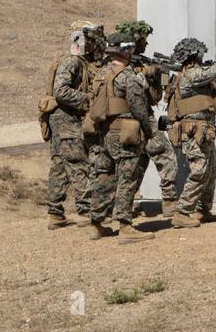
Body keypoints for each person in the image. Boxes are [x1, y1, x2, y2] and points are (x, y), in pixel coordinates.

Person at [86, 32, 155, 244]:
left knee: (105, 175)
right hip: (125, 133)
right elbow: (138, 108)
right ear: (126, 51)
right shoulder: (128, 77)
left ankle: (96, 223)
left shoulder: (101, 74)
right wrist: (148, 129)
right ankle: (125, 226)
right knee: (128, 176)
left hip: (105, 132)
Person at [167, 37, 216, 229]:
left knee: (211, 171)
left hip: (205, 131)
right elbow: (201, 75)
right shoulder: (189, 75)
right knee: (199, 171)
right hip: (193, 131)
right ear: (193, 55)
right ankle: (182, 212)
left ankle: (202, 209)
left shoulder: (203, 75)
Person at [116, 20, 180, 217]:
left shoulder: (139, 62)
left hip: (136, 117)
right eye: (143, 40)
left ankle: (125, 206)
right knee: (165, 155)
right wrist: (146, 73)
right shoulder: (124, 67)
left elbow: (155, 96)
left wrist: (159, 76)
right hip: (138, 118)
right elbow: (130, 86)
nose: (146, 44)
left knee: (139, 162)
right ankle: (169, 200)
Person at [42, 22, 101, 229]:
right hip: (66, 120)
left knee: (60, 165)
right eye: (92, 40)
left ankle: (55, 212)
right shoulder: (73, 62)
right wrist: (88, 100)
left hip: (60, 120)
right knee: (78, 162)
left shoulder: (74, 61)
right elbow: (61, 92)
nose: (95, 44)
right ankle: (85, 210)